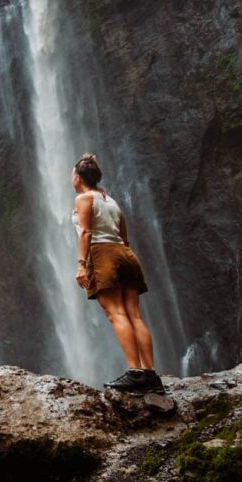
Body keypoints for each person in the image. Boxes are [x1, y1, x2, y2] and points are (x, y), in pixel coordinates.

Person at [71, 153, 162, 393]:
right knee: (135, 315)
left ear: (79, 177)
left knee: (116, 313)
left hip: (102, 253)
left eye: (72, 174)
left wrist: (82, 264)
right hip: (125, 254)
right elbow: (124, 236)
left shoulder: (84, 198)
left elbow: (86, 233)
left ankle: (134, 372)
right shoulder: (111, 200)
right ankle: (150, 374)